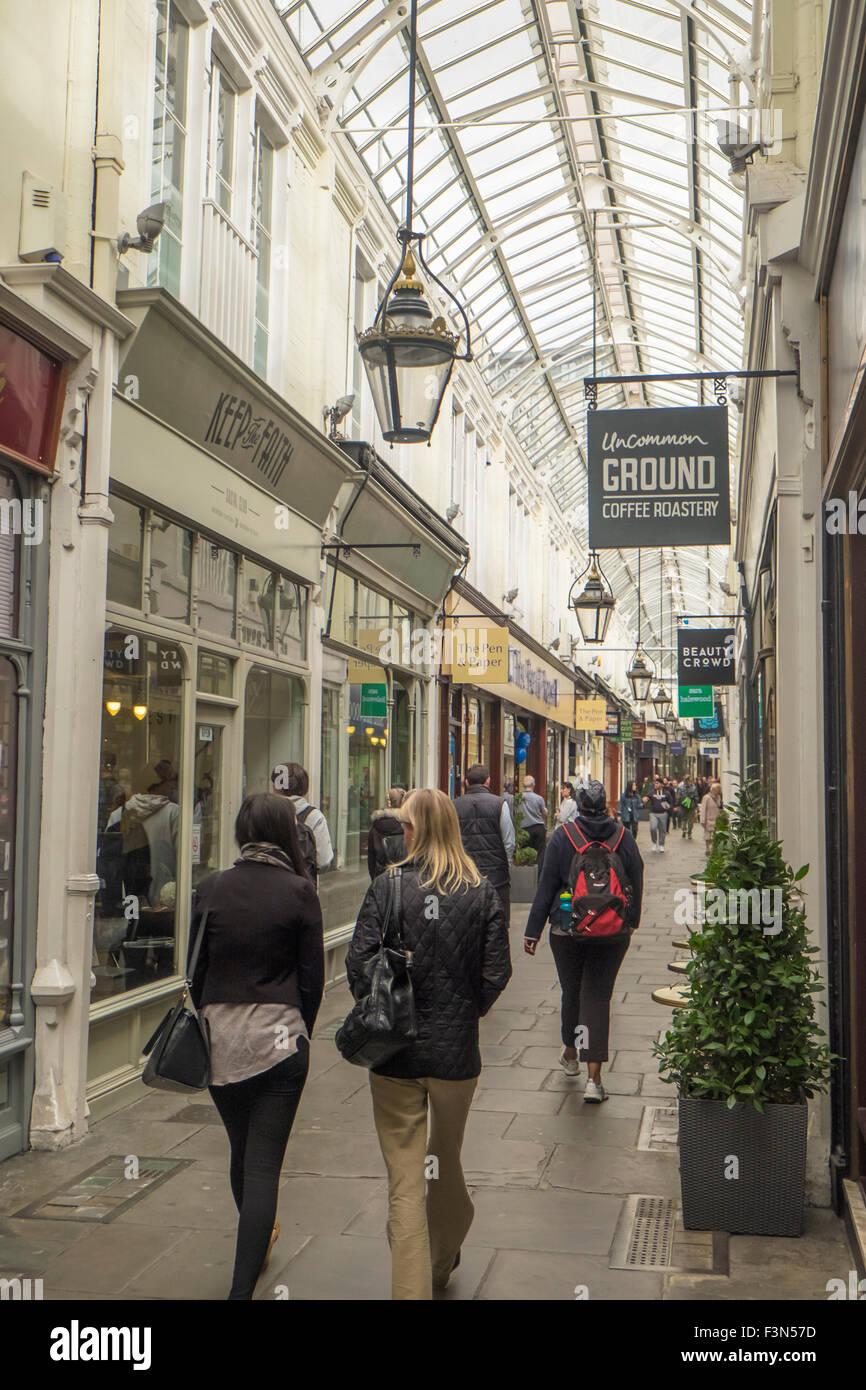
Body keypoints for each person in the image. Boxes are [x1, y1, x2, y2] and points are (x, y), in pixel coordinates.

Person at [346, 788, 511, 1300]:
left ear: (416, 830)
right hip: (456, 1057)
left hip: (396, 1054)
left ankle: (412, 1289)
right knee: (446, 1159)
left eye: (406, 825)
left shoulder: (387, 886)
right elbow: (496, 972)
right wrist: (466, 1010)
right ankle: (442, 1258)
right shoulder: (481, 890)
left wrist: (386, 1007)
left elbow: (359, 963)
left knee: (404, 1182)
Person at [189, 793, 324, 1300]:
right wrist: (299, 1030)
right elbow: (313, 978)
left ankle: (254, 1247)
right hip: (280, 1038)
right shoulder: (298, 891)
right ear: (286, 832)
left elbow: (194, 971)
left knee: (242, 1153)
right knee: (264, 1165)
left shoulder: (210, 888)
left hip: (220, 1037)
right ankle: (240, 1289)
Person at [524, 780, 643, 1103]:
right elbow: (637, 875)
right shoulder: (623, 836)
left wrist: (532, 930)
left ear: (578, 804)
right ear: (606, 804)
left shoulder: (563, 836)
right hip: (613, 931)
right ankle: (595, 1080)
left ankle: (571, 1054)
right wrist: (632, 921)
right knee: (597, 997)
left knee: (572, 991)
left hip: (567, 929)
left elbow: (546, 884)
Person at [453, 763, 514, 925]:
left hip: (464, 875)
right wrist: (504, 864)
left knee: (466, 925)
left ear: (466, 782)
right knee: (498, 925)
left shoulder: (454, 805)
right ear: (488, 781)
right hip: (496, 878)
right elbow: (509, 841)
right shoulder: (500, 804)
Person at [271, 761, 333, 882]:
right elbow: (324, 862)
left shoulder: (264, 813)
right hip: (302, 888)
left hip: (269, 885)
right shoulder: (314, 817)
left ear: (276, 787)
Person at [368, 787, 407, 880]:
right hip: (404, 878)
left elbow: (371, 860)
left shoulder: (375, 827)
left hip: (381, 876)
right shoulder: (407, 826)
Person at [519, 774, 548, 873]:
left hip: (524, 829)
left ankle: (526, 875)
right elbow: (544, 812)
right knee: (540, 854)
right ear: (533, 785)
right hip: (538, 828)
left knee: (525, 854)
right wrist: (544, 822)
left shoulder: (519, 798)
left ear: (523, 785)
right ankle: (539, 874)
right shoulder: (538, 798)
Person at [643, 776, 673, 852]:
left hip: (663, 813)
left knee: (662, 830)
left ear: (662, 784)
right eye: (655, 783)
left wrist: (669, 806)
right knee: (653, 828)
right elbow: (647, 797)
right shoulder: (652, 792)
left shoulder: (667, 793)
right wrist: (645, 799)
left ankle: (661, 845)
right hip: (653, 813)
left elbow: (671, 803)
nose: (655, 785)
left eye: (657, 783)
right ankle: (654, 843)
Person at [699, 780, 724, 856]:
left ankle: (713, 848)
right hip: (708, 819)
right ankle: (708, 848)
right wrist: (702, 820)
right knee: (708, 835)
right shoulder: (706, 797)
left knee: (715, 835)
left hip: (717, 819)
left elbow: (720, 807)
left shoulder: (719, 797)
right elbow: (703, 810)